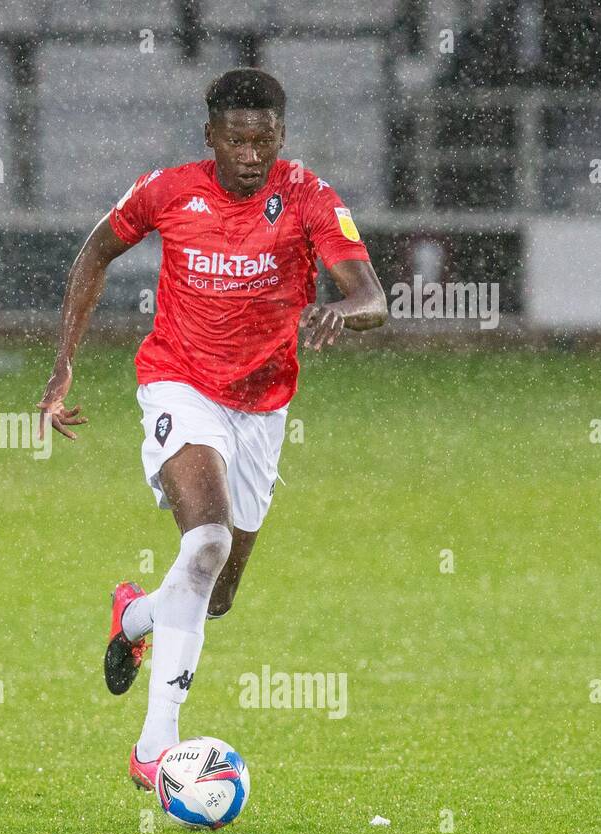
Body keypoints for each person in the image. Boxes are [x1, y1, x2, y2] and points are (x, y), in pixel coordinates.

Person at [36, 70, 388, 789]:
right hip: (180, 382)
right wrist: (63, 364)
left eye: (265, 138)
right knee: (204, 543)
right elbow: (94, 252)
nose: (252, 153)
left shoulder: (311, 199)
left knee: (216, 592)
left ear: (281, 137)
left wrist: (341, 312)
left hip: (262, 406)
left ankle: (135, 616)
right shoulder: (167, 190)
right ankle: (153, 750)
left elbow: (372, 296)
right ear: (211, 138)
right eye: (238, 139)